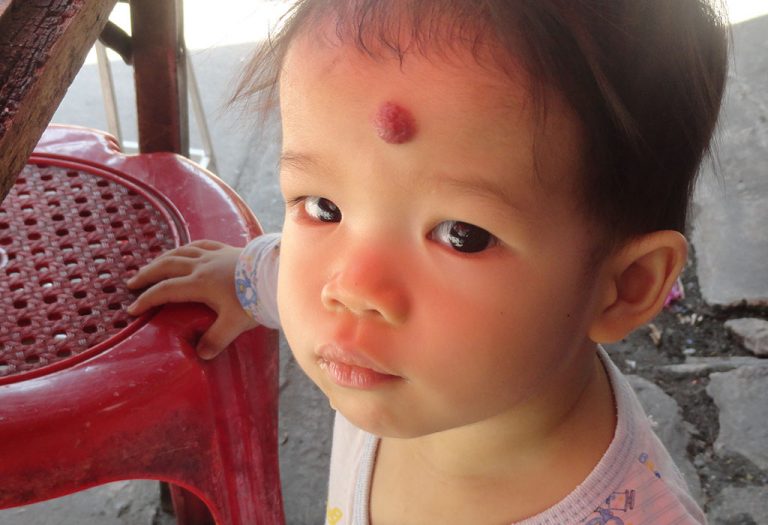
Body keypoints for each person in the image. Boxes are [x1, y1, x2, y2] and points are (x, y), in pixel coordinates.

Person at [126, 1, 728, 523]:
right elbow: (296, 262)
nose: (352, 288)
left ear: (623, 287)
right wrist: (246, 277)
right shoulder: (398, 363)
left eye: (462, 236)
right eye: (324, 207)